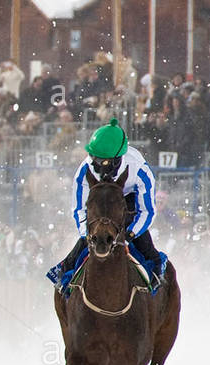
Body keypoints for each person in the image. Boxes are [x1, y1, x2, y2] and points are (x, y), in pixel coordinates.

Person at [46, 118, 166, 295]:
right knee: (87, 240)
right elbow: (79, 209)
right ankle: (64, 274)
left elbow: (147, 210)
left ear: (117, 160)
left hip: (128, 201)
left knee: (147, 248)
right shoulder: (84, 171)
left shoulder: (140, 170)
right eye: (94, 159)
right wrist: (87, 235)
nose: (95, 165)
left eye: (101, 161)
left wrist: (130, 234)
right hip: (99, 200)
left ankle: (157, 272)